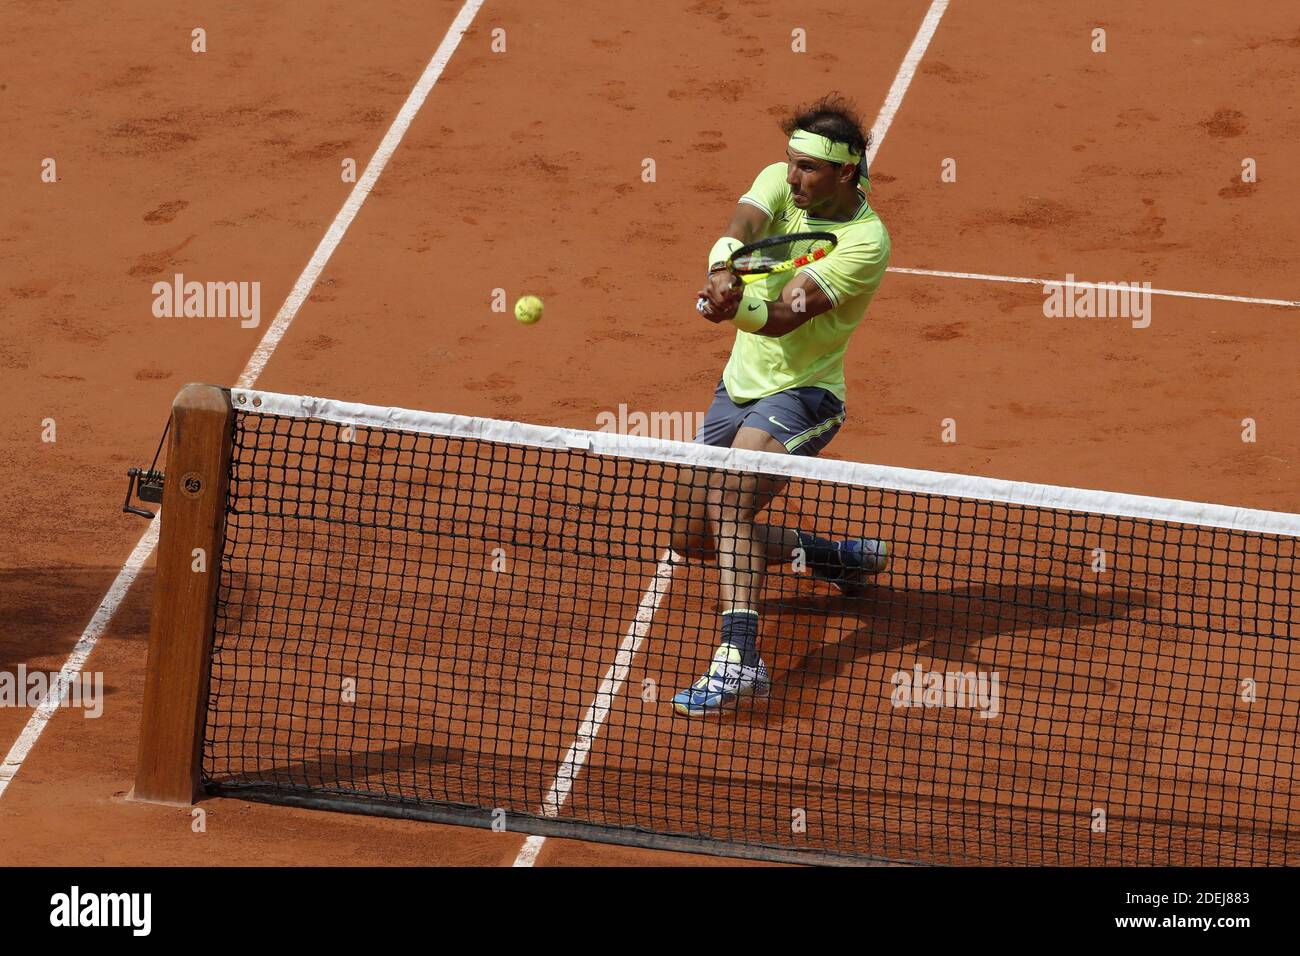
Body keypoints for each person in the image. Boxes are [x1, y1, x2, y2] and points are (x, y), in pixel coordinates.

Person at [670, 94, 892, 717]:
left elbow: (787, 317)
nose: (790, 176)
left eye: (806, 169)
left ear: (845, 173)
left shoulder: (865, 242)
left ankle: (738, 659)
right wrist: (721, 266)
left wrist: (732, 307)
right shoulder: (783, 180)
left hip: (805, 393)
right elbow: (743, 223)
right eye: (790, 162)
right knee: (691, 535)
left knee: (731, 496)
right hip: (737, 387)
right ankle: (830, 556)